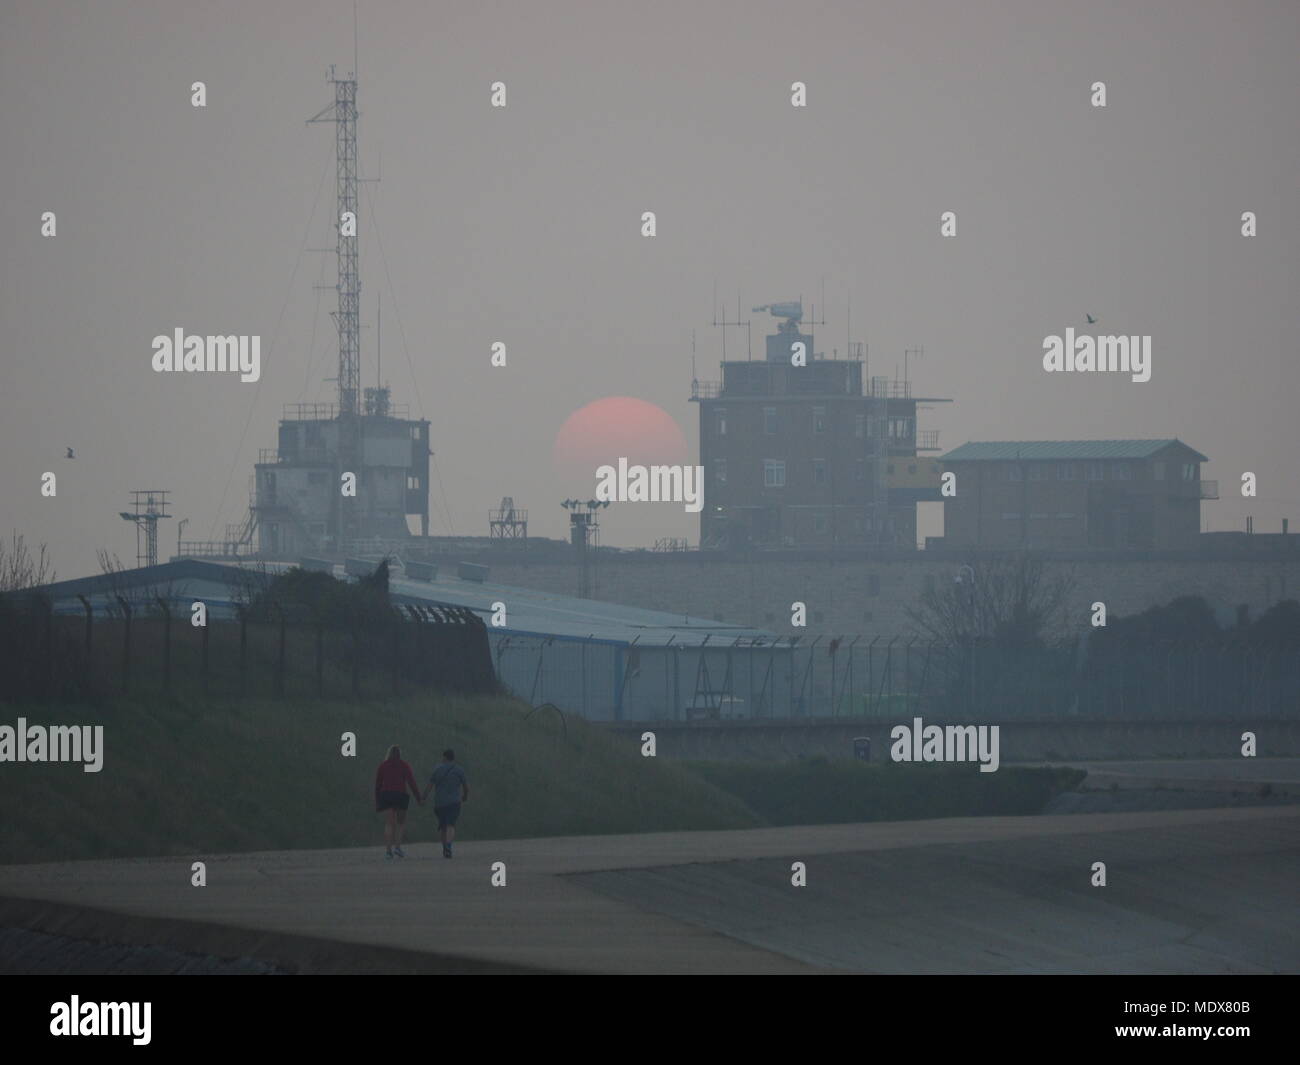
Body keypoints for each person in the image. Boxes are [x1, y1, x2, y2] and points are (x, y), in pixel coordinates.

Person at [375, 744, 422, 860]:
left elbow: (378, 785)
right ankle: (397, 847)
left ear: (389, 753)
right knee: (400, 823)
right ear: (400, 754)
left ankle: (388, 851)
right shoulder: (404, 765)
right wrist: (418, 798)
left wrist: (377, 800)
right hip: (401, 795)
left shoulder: (383, 765)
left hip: (387, 795)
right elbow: (412, 782)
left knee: (389, 824)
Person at [422, 749, 468, 859]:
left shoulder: (437, 769)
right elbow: (466, 786)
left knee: (443, 826)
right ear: (453, 757)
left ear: (445, 757)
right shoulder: (459, 770)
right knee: (450, 825)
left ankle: (445, 848)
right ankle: (448, 846)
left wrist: (423, 798)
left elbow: (429, 786)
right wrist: (465, 796)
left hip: (440, 803)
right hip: (454, 802)